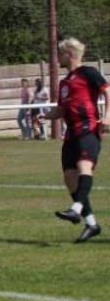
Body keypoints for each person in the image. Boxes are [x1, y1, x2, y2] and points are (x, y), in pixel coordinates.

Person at [47, 38, 110, 243]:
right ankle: (91, 224)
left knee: (84, 167)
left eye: (60, 54)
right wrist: (43, 116)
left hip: (88, 131)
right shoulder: (64, 82)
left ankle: (76, 209)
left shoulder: (88, 72)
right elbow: (60, 110)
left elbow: (108, 91)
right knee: (69, 178)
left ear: (70, 54)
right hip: (71, 136)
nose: (58, 58)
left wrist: (108, 115)